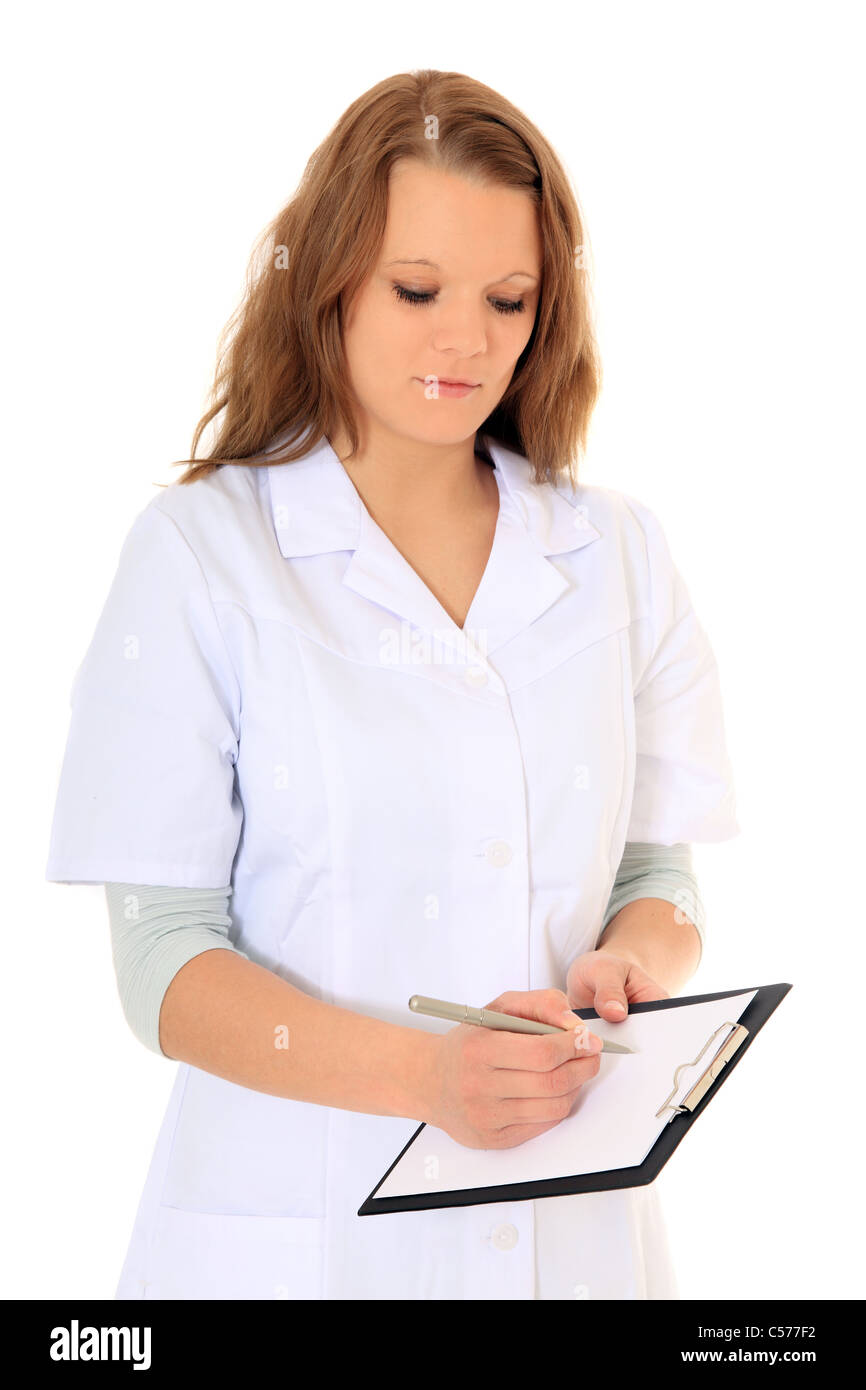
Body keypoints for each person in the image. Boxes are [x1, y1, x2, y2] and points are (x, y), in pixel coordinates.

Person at [45, 69, 739, 1300]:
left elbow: (658, 877)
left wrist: (630, 960)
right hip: (299, 1241)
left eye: (507, 297)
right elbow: (160, 960)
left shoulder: (616, 553)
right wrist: (425, 1080)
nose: (464, 338)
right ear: (327, 283)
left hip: (568, 1226)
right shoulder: (202, 555)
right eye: (415, 289)